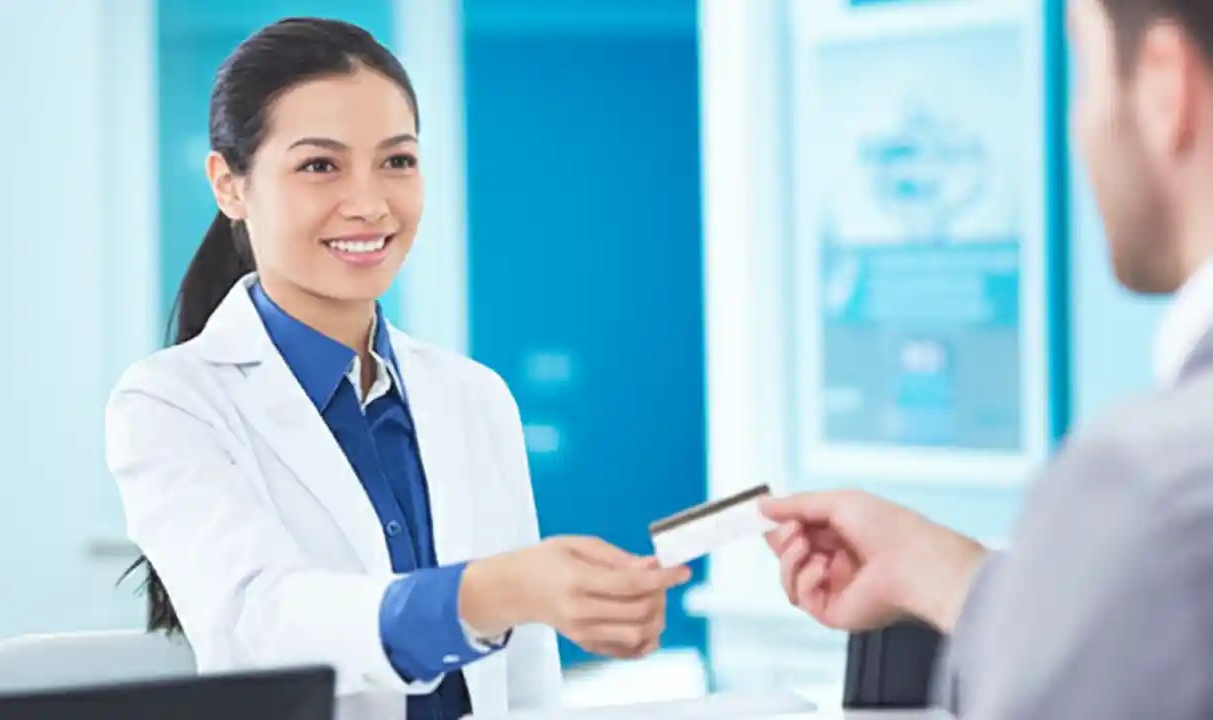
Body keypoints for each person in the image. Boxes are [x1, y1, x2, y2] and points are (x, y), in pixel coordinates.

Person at [105, 18, 690, 720]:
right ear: (229, 185)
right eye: (320, 165)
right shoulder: (169, 403)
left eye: (397, 161)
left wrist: (538, 596)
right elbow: (264, 619)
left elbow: (526, 679)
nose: (370, 204)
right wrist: (491, 592)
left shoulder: (474, 396)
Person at [761, 0, 1213, 716]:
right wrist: (934, 569)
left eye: (1088, 72)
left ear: (1164, 86)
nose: (1083, 128)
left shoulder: (1145, 487)